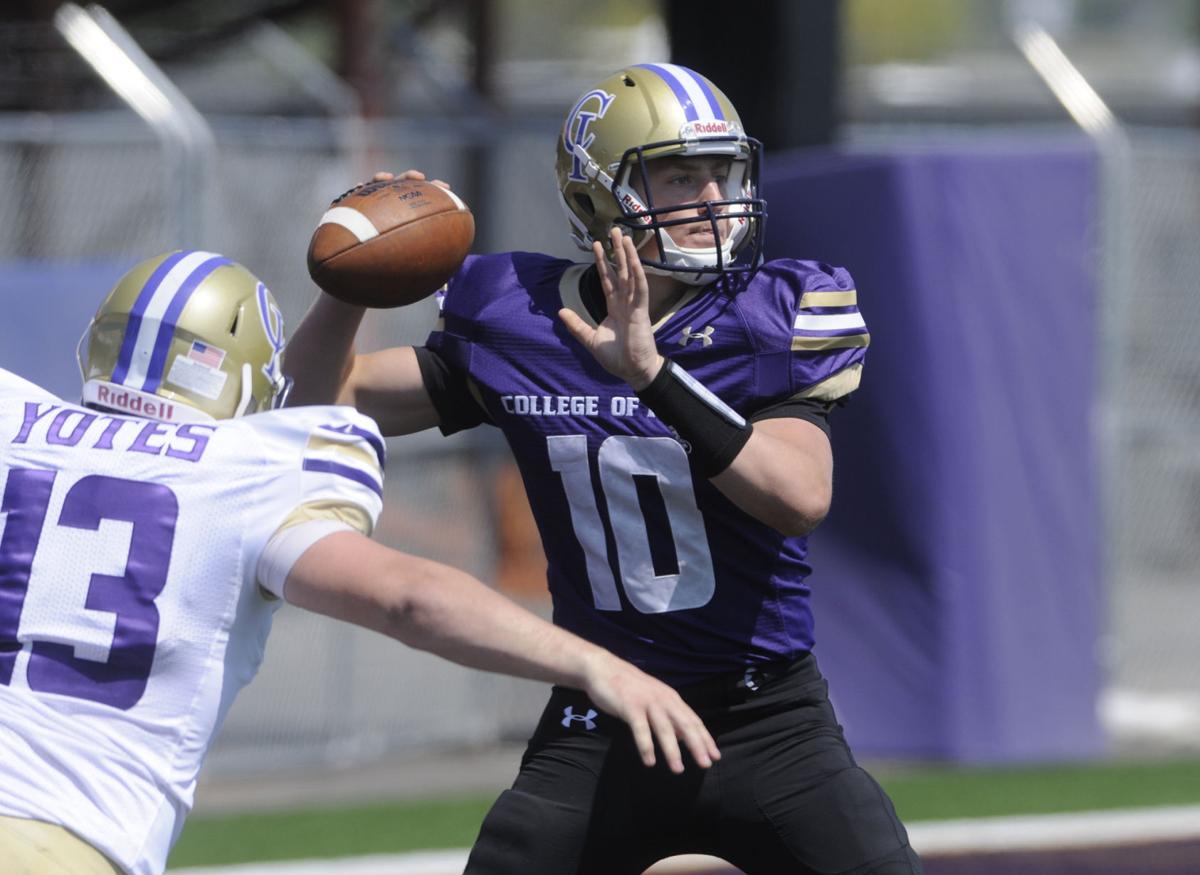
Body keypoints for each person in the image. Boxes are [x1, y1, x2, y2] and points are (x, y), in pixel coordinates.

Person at [286, 62, 922, 874]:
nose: (707, 197)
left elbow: (798, 496)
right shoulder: (520, 315)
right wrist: (348, 284)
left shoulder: (769, 313)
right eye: (676, 175)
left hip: (769, 720)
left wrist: (652, 376)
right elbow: (316, 402)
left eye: (719, 170)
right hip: (603, 715)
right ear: (596, 196)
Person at [0, 250, 719, 875]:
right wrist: (596, 663)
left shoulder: (14, 422)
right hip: (58, 838)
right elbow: (407, 596)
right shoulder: (246, 470)